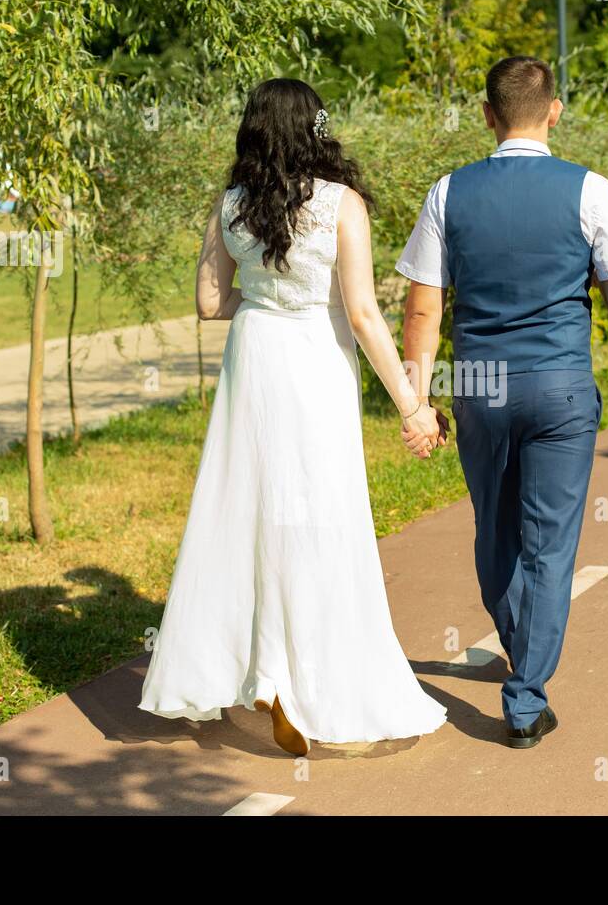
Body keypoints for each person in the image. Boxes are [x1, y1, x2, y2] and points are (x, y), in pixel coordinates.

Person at [138, 78, 448, 757]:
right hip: (313, 358)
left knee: (243, 510)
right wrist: (412, 406)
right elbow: (364, 315)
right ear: (316, 128)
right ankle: (310, 678)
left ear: (251, 130)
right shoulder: (342, 204)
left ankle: (258, 669)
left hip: (255, 354)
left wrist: (260, 293)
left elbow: (207, 302)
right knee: (319, 511)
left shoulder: (230, 204)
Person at [397, 56, 608, 748]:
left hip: (479, 385)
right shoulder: (590, 190)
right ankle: (526, 697)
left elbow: (422, 314)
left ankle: (522, 646)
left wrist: (416, 402)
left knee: (494, 528)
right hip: (560, 384)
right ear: (555, 111)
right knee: (549, 544)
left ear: (487, 115)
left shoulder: (448, 192)